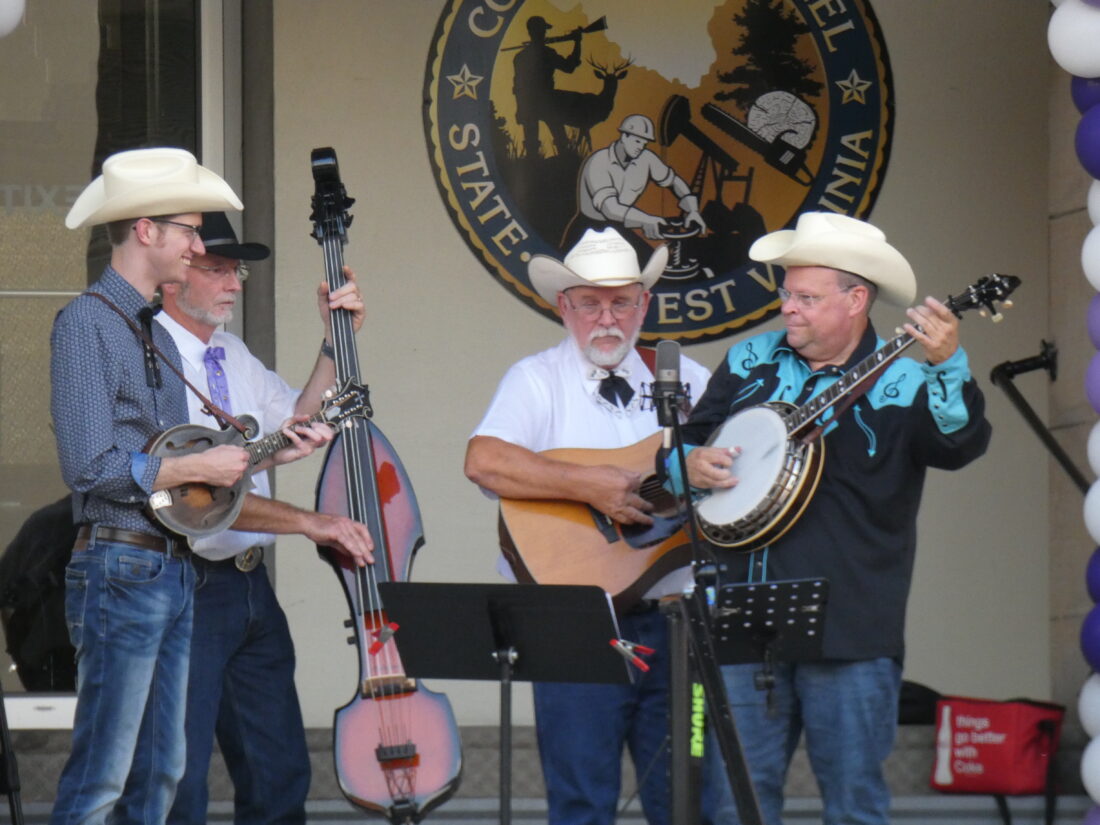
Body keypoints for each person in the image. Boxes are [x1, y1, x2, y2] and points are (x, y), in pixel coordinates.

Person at [676, 212, 992, 825]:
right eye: (786, 292)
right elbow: (681, 444)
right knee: (735, 806)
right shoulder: (748, 358)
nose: (787, 307)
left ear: (856, 300)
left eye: (805, 297)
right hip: (744, 616)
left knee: (853, 806)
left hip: (851, 625)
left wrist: (949, 366)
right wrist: (688, 463)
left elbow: (957, 447)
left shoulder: (912, 371)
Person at [464, 227, 712, 825]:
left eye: (622, 301)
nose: (607, 318)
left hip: (680, 623)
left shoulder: (692, 382)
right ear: (563, 307)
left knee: (689, 801)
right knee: (580, 803)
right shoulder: (537, 379)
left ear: (644, 304)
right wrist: (589, 484)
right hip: (576, 623)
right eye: (589, 303)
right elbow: (484, 461)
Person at [50, 147, 252, 825]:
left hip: (168, 565)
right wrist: (198, 469)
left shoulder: (153, 332)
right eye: (189, 229)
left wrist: (237, 458)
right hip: (119, 563)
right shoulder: (84, 322)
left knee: (163, 769)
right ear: (146, 230)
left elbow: (172, 457)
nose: (198, 244)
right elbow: (89, 466)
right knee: (103, 773)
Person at [155, 212, 374, 825]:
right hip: (183, 587)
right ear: (175, 276)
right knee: (181, 779)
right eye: (217, 268)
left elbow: (294, 420)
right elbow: (198, 496)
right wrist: (312, 522)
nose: (234, 282)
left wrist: (335, 342)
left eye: (237, 269)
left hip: (248, 581)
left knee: (278, 771)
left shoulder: (231, 351)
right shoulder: (152, 358)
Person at [563, 114, 707, 264]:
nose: (640, 147)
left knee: (652, 265)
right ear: (624, 136)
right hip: (589, 230)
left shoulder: (647, 158)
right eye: (637, 141)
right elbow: (610, 209)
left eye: (644, 143)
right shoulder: (598, 162)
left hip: (620, 227)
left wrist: (692, 210)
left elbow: (674, 181)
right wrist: (646, 220)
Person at [513, 14, 582, 159]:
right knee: (561, 140)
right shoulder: (548, 53)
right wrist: (577, 43)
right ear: (539, 32)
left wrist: (520, 108)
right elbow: (569, 67)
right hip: (547, 102)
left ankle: (535, 170)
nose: (545, 33)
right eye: (543, 30)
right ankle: (566, 167)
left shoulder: (520, 57)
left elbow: (517, 87)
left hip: (530, 103)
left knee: (532, 144)